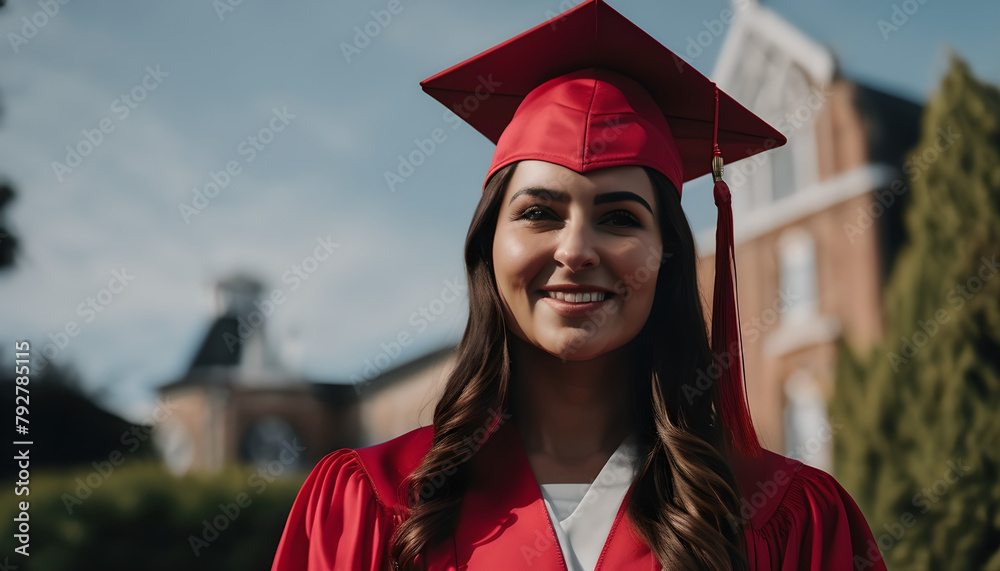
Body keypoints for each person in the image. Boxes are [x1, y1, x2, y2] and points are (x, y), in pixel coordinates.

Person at [270, 1, 886, 569]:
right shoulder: (370, 504)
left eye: (620, 218)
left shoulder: (786, 516)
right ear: (489, 245)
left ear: (669, 257)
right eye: (539, 212)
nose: (575, 250)